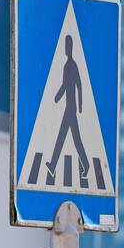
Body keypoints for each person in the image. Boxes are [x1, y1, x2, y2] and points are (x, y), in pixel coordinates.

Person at [46, 34, 90, 185]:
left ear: (70, 47)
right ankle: (55, 165)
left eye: (68, 45)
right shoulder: (69, 65)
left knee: (69, 139)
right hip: (69, 107)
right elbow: (75, 84)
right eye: (65, 45)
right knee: (70, 139)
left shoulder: (71, 65)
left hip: (70, 108)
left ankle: (84, 165)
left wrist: (79, 104)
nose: (66, 48)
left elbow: (75, 84)